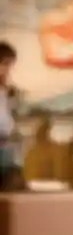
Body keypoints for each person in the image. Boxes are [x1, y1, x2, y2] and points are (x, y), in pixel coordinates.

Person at [0, 42, 25, 191]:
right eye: (5, 64)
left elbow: (11, 120)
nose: (7, 70)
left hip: (9, 154)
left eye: (9, 65)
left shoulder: (10, 92)